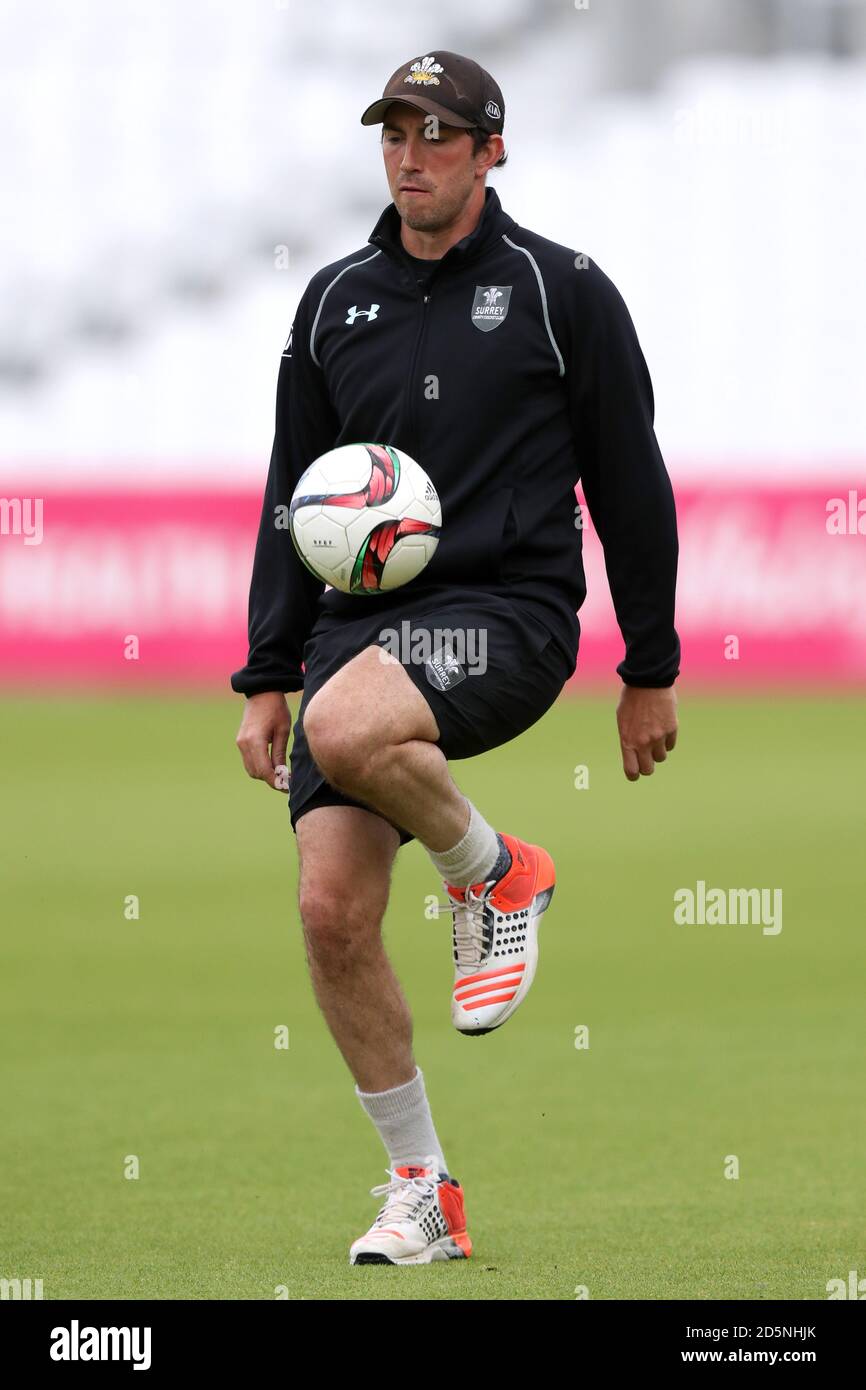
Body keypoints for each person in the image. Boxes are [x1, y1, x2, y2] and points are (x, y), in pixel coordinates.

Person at [232, 51, 680, 1265]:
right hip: (349, 635)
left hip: (509, 611)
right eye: (394, 132)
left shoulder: (559, 290)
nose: (410, 154)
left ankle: (493, 873)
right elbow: (293, 492)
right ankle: (421, 1187)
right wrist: (268, 666)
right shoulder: (332, 299)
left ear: (492, 151)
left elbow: (629, 477)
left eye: (438, 134)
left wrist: (651, 660)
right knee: (330, 908)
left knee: (347, 727)